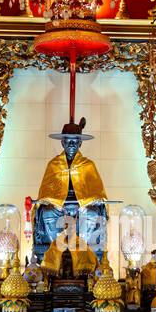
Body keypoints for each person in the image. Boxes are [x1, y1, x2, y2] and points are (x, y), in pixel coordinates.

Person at [33, 117, 107, 275]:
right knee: (46, 213)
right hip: (59, 208)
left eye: (75, 141)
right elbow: (45, 194)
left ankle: (84, 258)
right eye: (68, 141)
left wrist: (89, 202)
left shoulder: (88, 165)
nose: (72, 144)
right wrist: (50, 203)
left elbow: (98, 194)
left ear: (80, 143)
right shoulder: (53, 165)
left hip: (82, 207)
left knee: (92, 213)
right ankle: (57, 252)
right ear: (62, 143)